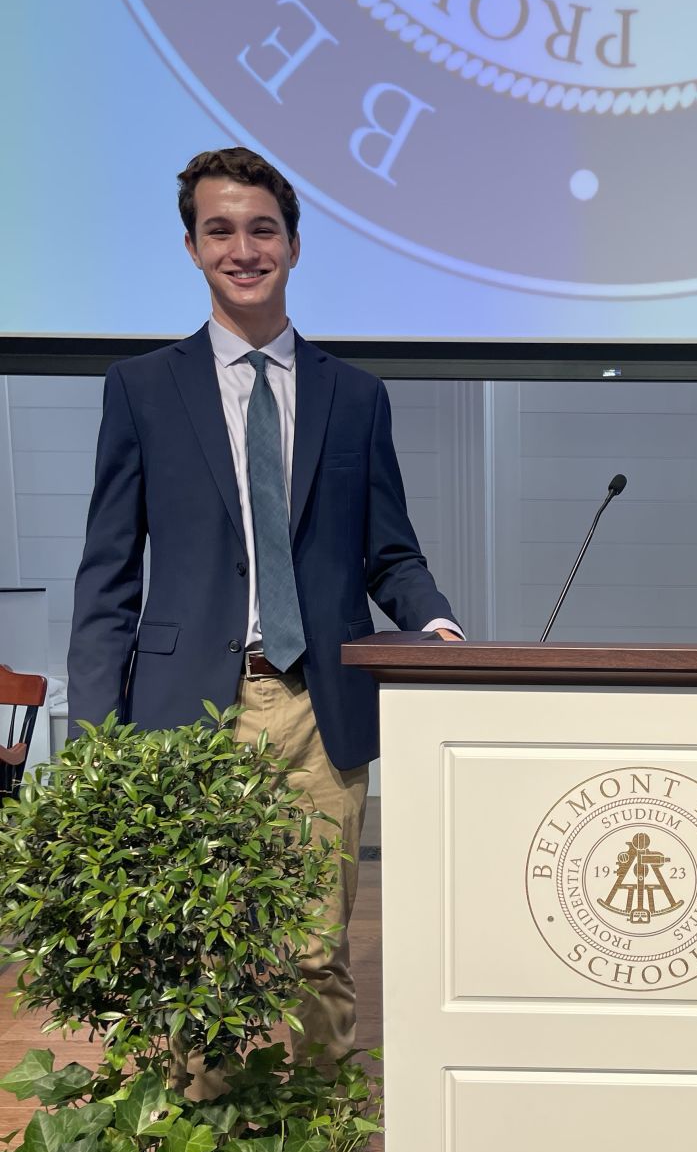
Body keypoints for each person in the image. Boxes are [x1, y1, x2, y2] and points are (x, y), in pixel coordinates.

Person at [68, 146, 461, 1076]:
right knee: (199, 957)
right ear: (193, 247)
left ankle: (322, 1142)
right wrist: (95, 739)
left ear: (293, 243)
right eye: (220, 231)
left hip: (319, 711)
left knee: (316, 955)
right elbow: (108, 575)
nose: (243, 250)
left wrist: (436, 621)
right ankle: (202, 1141)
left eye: (262, 230)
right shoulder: (141, 389)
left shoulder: (355, 396)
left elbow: (390, 552)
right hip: (187, 715)